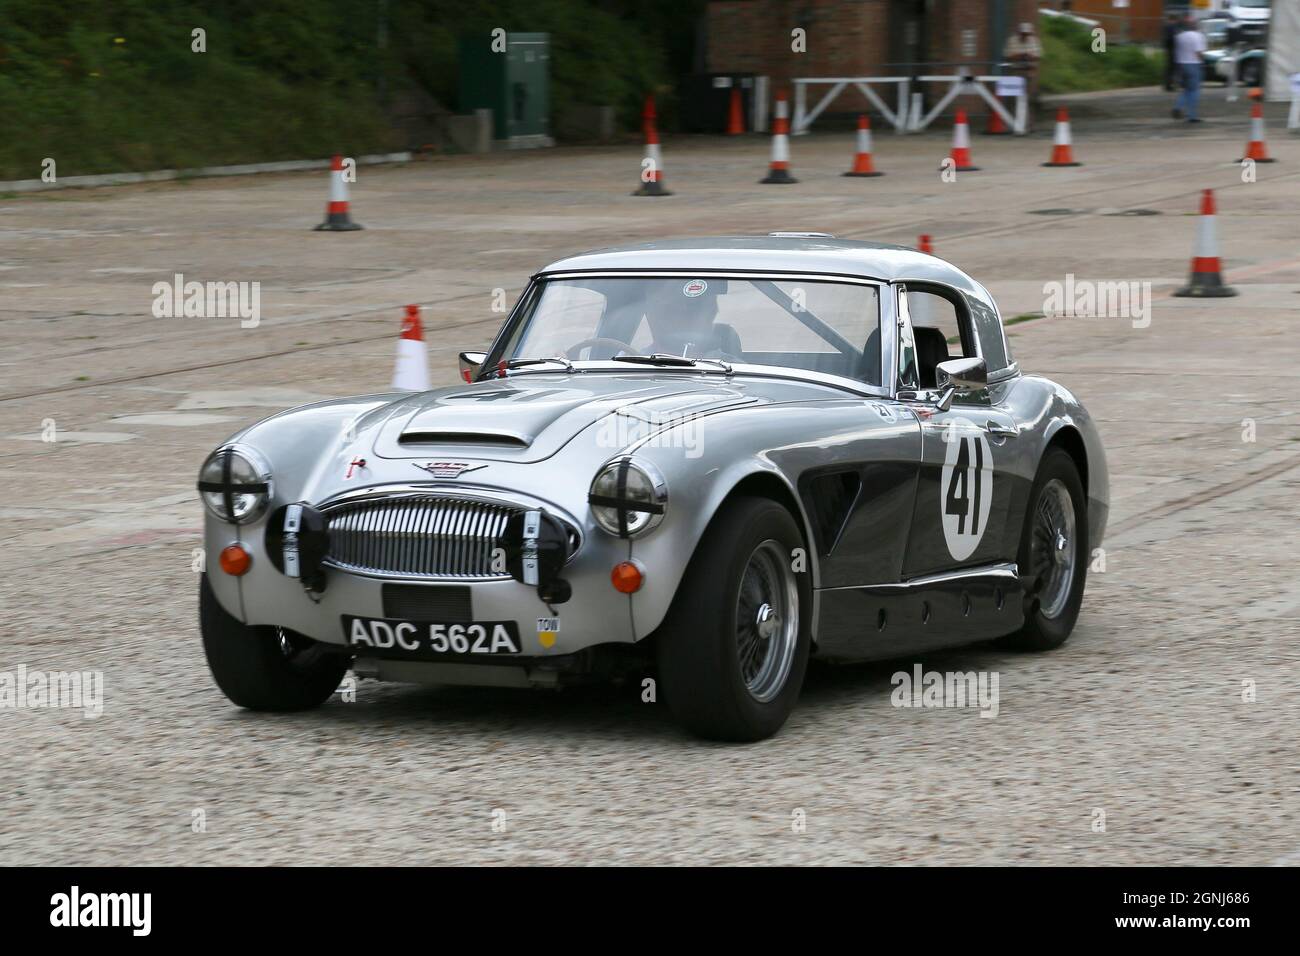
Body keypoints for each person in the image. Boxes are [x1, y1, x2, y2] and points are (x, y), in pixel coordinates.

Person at [1172, 14, 1207, 122]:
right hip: (1193, 64)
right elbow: (1199, 52)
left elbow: (1176, 51)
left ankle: (1178, 107)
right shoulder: (1198, 36)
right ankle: (1192, 115)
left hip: (1181, 65)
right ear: (1195, 25)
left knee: (1187, 89)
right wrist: (1203, 62)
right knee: (1194, 91)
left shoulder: (1179, 36)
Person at [1162, 14, 1183, 92]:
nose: (1176, 22)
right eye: (1176, 20)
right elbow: (1170, 39)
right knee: (1171, 68)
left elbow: (1166, 39)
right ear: (1173, 20)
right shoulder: (1171, 27)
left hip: (1169, 49)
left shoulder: (1167, 27)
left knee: (1169, 68)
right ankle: (1169, 85)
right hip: (1172, 49)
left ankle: (1168, 84)